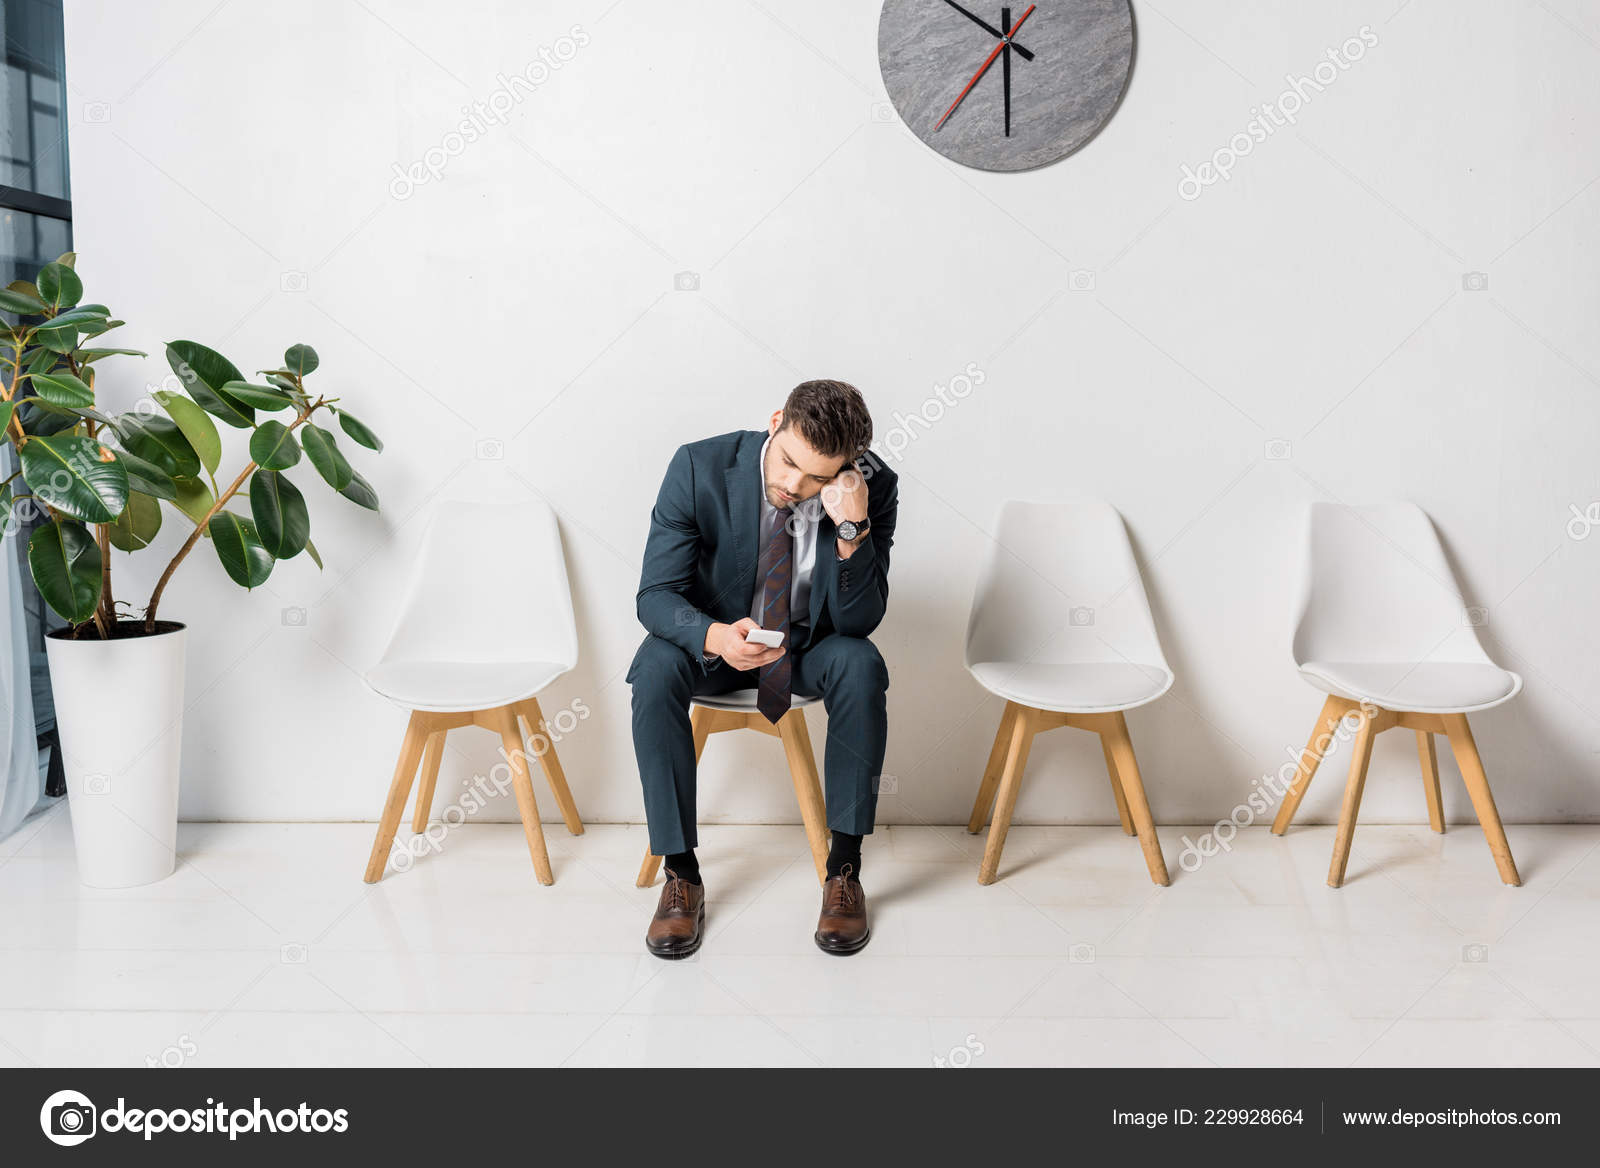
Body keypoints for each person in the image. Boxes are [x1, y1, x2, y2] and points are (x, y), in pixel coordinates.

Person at [628, 379, 899, 959]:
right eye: (788, 463)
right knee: (653, 667)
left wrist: (853, 527)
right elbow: (655, 595)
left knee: (861, 663)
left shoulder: (872, 488)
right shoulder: (699, 465)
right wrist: (716, 635)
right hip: (719, 647)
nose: (794, 486)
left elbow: (858, 621)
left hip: (806, 651)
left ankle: (844, 872)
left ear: (847, 468)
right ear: (776, 422)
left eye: (819, 477)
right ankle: (681, 876)